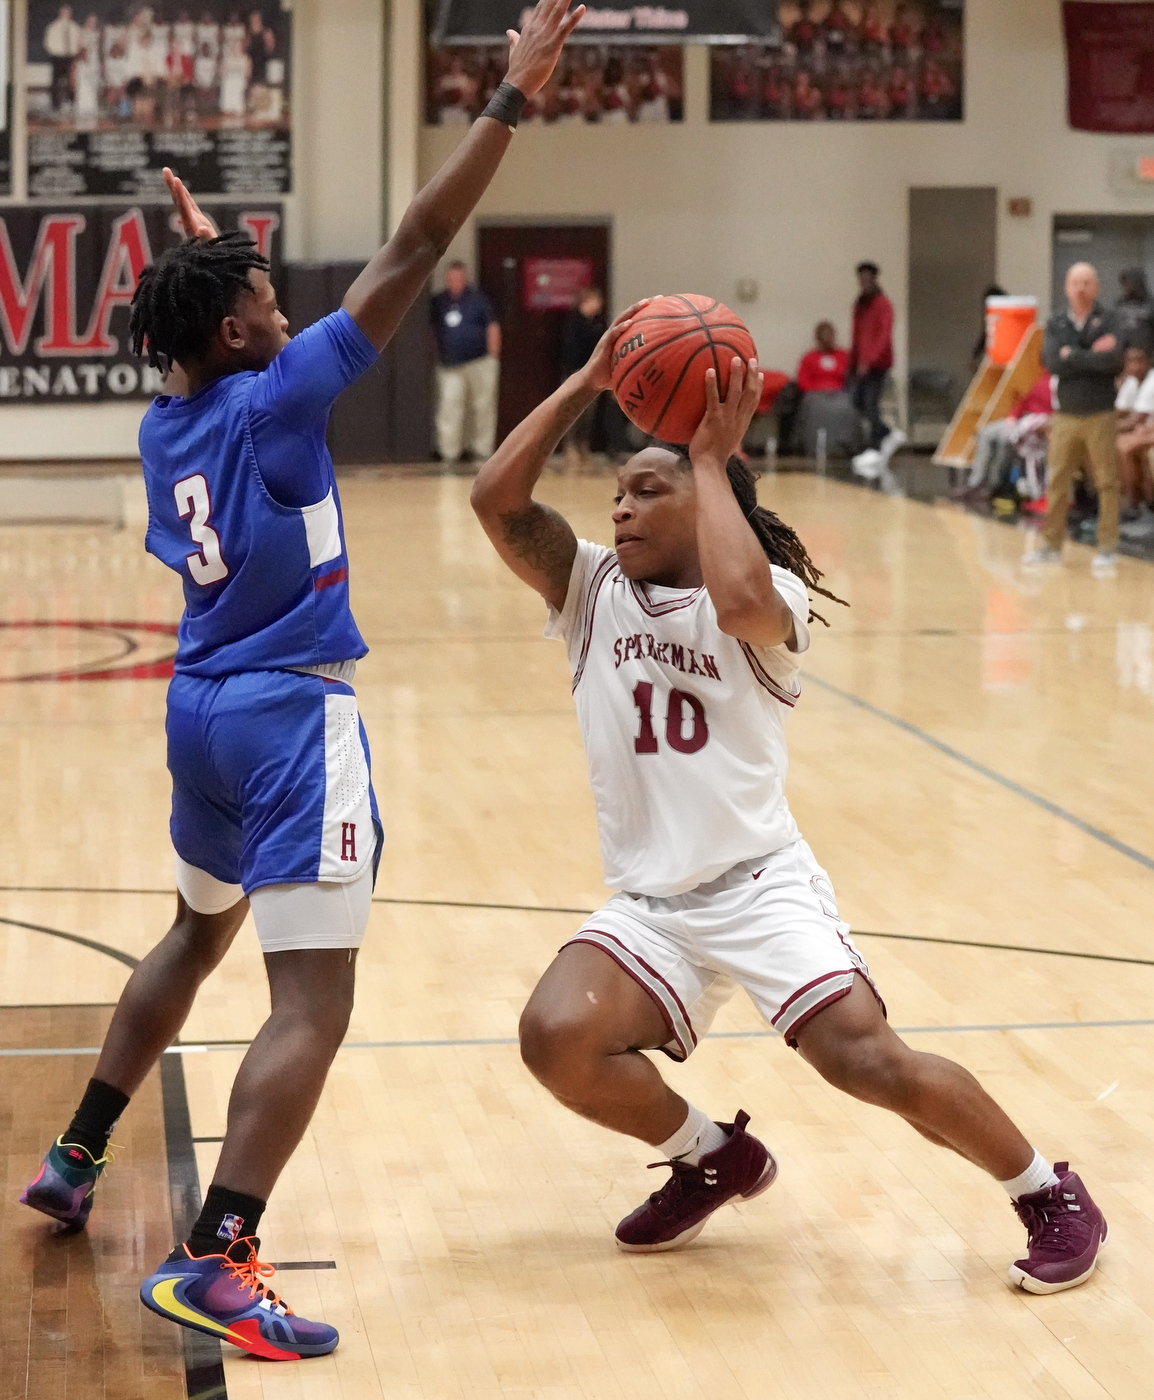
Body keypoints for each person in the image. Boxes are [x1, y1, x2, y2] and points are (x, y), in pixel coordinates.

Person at [19, 0, 584, 1363]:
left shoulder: (169, 422)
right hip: (287, 718)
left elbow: (198, 326)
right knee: (311, 1002)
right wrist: (506, 98)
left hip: (199, 713)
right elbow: (415, 244)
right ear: (233, 338)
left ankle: (77, 1157)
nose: (288, 306)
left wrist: (205, 257)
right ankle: (218, 1259)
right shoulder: (276, 397)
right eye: (264, 298)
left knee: (194, 936)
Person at [469, 308, 1107, 1298]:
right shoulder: (589, 588)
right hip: (652, 904)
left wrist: (715, 461)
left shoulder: (770, 595)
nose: (622, 510)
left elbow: (735, 602)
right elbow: (497, 498)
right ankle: (708, 1154)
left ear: (705, 498)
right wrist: (588, 382)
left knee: (866, 1063)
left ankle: (1045, 1190)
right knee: (554, 1034)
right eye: (616, 492)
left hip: (757, 884)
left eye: (649, 489)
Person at [1024, 262, 1124, 573]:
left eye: (1086, 283)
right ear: (1066, 288)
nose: (1080, 288)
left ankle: (1107, 547)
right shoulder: (1055, 324)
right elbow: (1052, 362)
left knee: (1106, 481)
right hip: (1065, 415)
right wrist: (1090, 354)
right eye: (1075, 283)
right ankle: (1051, 545)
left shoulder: (1111, 320)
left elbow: (1113, 361)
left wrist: (1074, 355)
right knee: (1057, 480)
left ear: (1096, 288)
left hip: (1100, 413)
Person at [431, 261, 502, 463]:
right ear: (447, 280)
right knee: (450, 407)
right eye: (451, 278)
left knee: (482, 407)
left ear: (465, 278)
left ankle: (482, 450)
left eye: (458, 278)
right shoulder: (439, 301)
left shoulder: (478, 300)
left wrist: (493, 355)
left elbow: (492, 326)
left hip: (480, 361)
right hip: (450, 365)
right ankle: (449, 452)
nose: (455, 282)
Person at [954, 371, 1053, 501]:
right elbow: (1023, 400)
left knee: (1006, 440)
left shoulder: (1062, 382)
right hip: (1023, 418)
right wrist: (1013, 416)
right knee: (985, 433)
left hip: (1039, 423)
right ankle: (975, 482)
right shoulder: (1039, 376)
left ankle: (993, 484)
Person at [850, 261, 904, 476]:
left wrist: (870, 361)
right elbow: (856, 334)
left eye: (867, 278)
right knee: (859, 403)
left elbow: (883, 336)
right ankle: (888, 433)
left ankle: (875, 446)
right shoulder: (860, 304)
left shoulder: (883, 304)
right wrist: (853, 363)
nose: (864, 283)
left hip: (876, 365)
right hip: (860, 364)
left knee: (872, 405)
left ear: (874, 279)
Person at [559, 286, 609, 463]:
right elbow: (570, 349)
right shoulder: (574, 323)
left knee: (589, 414)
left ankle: (584, 446)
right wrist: (573, 370)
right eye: (594, 301)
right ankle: (570, 446)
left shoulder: (599, 323)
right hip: (576, 371)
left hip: (593, 373)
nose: (598, 305)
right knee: (573, 412)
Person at [1114, 343, 1154, 540]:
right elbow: (1120, 411)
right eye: (1130, 361)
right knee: (1114, 444)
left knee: (1124, 446)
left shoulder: (1152, 381)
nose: (1134, 366)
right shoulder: (1131, 381)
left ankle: (1136, 507)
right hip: (1145, 431)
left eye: (1139, 361)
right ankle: (1109, 503)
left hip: (1147, 430)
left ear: (1148, 362)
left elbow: (1136, 419)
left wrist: (1103, 428)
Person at [44, 5, 82, 113]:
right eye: (64, 13)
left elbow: (78, 42)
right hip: (57, 57)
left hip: (71, 57)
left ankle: (71, 103)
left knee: (71, 81)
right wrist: (57, 52)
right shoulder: (53, 27)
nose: (66, 15)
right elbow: (48, 43)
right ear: (60, 13)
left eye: (68, 13)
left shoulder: (75, 27)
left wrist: (74, 54)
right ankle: (55, 105)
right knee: (56, 81)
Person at [1114, 268, 1154, 352]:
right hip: (1123, 355)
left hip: (1146, 354)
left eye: (1128, 283)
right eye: (1124, 284)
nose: (1127, 287)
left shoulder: (1150, 305)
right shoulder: (1119, 304)